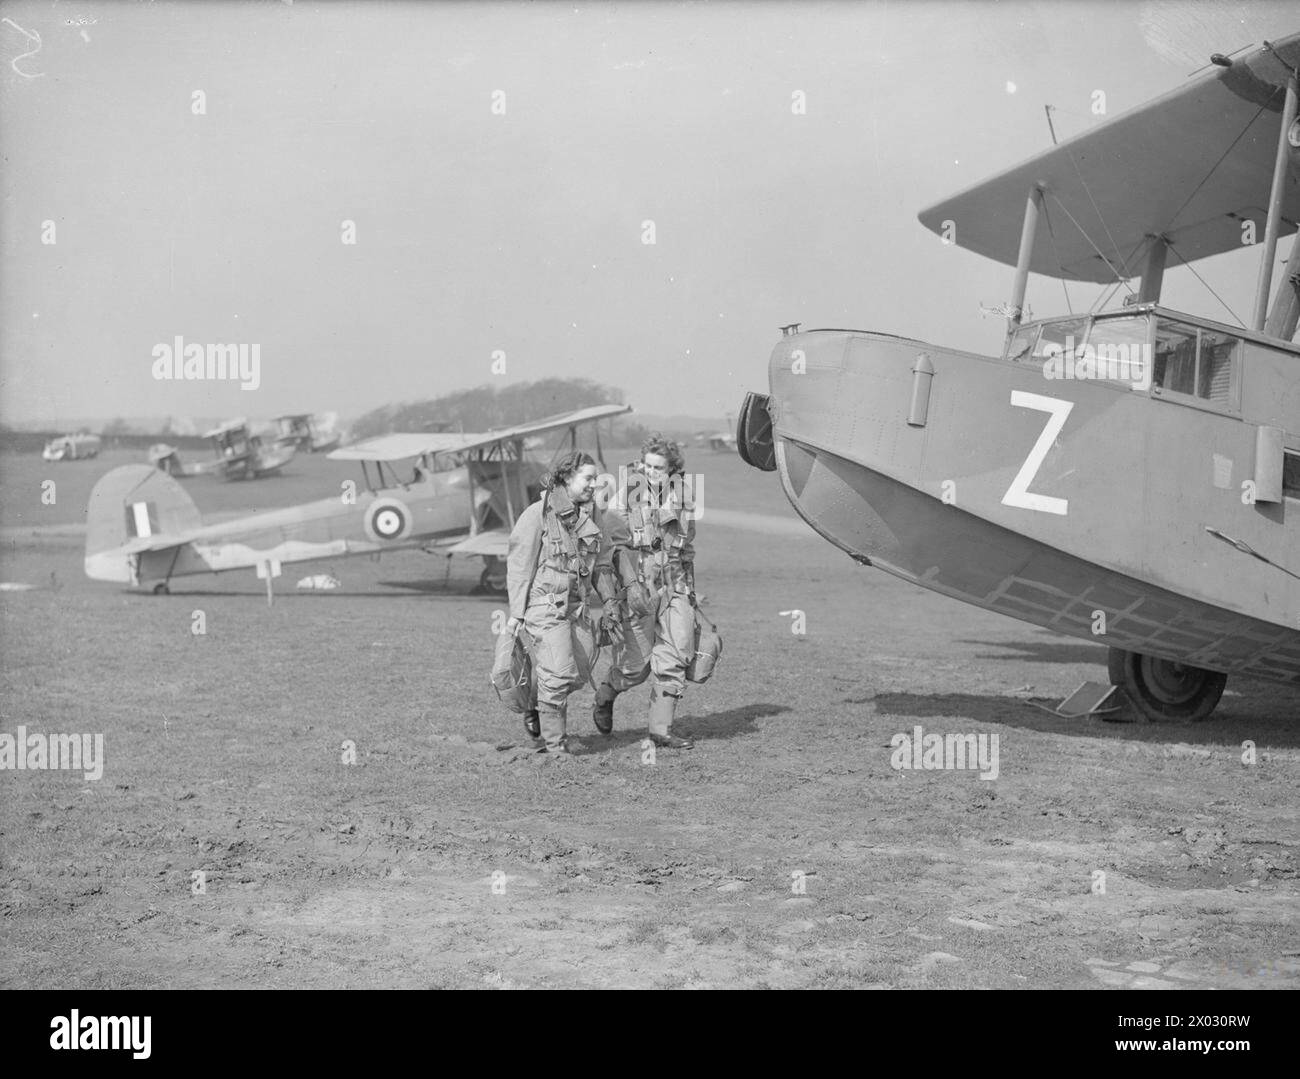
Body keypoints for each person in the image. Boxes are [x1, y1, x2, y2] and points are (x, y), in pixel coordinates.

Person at [505, 451, 625, 754]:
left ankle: (534, 702)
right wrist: (516, 614)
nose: (593, 485)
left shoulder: (593, 516)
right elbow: (520, 566)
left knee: (578, 672)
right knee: (558, 673)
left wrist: (609, 600)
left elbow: (602, 562)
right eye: (587, 478)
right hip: (545, 605)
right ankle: (555, 748)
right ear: (567, 478)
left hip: (578, 606)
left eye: (595, 479)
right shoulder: (537, 514)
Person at [593, 434, 697, 749]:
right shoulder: (625, 497)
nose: (651, 473)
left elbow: (687, 545)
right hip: (638, 586)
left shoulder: (683, 497)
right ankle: (606, 694)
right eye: (647, 466)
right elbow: (613, 548)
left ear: (673, 470)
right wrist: (629, 587)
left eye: (659, 468)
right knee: (635, 667)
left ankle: (660, 730)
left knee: (676, 654)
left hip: (674, 584)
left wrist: (690, 589)